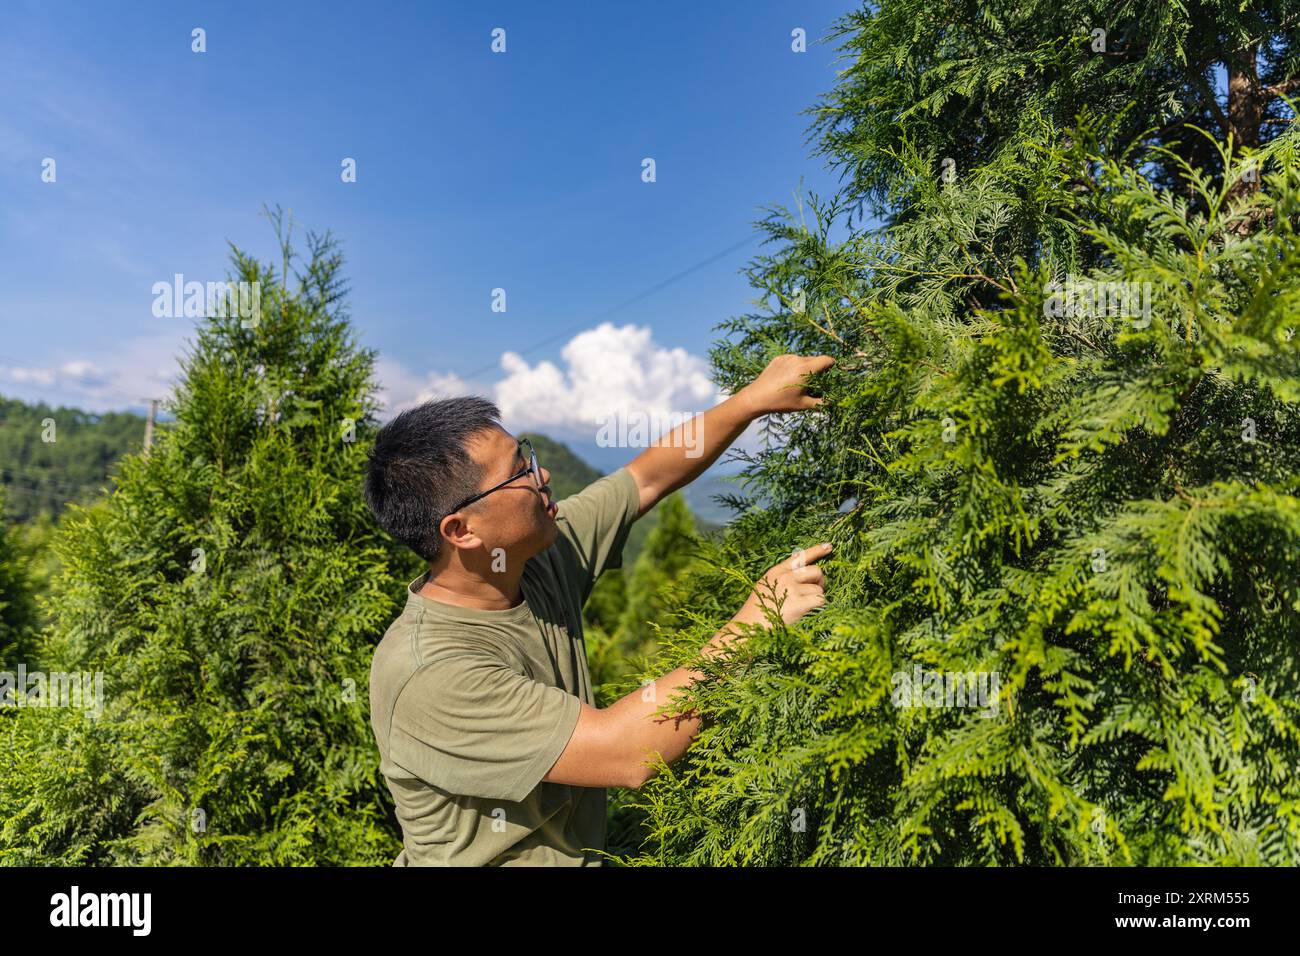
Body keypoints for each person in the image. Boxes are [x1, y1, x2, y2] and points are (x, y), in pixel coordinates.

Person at [362, 353, 835, 865]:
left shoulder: (530, 561)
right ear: (462, 530)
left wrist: (751, 401)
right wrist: (755, 623)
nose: (541, 474)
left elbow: (645, 479)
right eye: (518, 473)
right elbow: (628, 753)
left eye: (527, 454)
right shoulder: (433, 673)